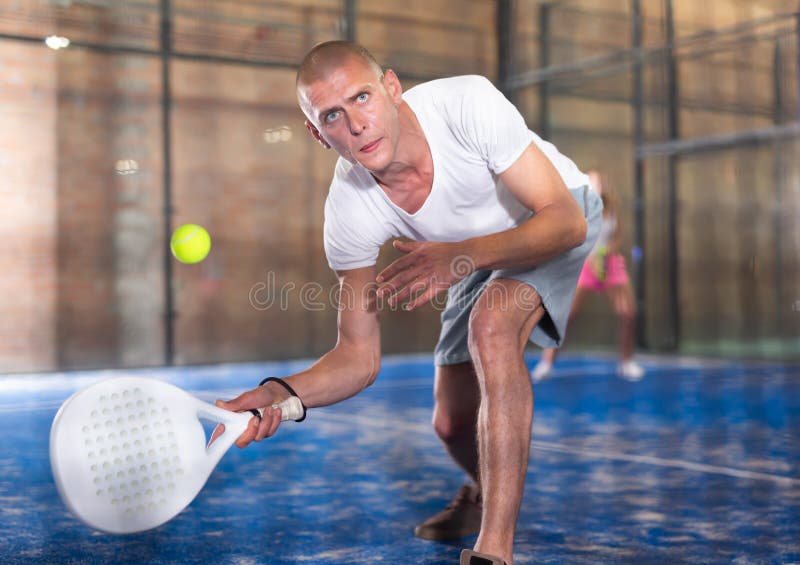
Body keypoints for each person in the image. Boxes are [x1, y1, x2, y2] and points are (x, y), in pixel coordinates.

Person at [212, 41, 602, 565]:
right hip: (465, 251)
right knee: (450, 425)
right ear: (317, 133)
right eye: (332, 115)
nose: (355, 124)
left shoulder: (465, 104)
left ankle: (495, 551)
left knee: (491, 326)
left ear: (392, 88)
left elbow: (564, 222)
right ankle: (482, 489)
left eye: (363, 98)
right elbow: (356, 357)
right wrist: (279, 392)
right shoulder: (349, 211)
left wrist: (459, 258)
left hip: (552, 213)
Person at [530, 170, 645, 382]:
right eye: (592, 181)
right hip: (584, 266)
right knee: (566, 316)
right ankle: (546, 364)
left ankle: (626, 363)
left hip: (610, 264)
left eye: (600, 181)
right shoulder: (575, 207)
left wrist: (605, 253)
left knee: (627, 312)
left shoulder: (612, 207)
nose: (597, 185)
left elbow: (617, 236)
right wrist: (589, 258)